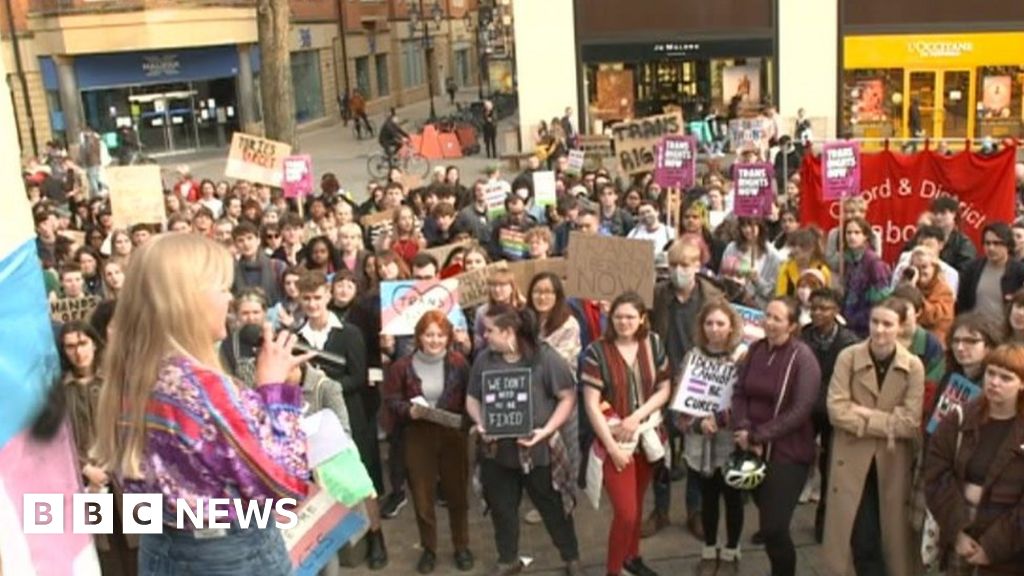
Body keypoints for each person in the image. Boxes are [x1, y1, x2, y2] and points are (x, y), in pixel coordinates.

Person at [91, 233, 312, 575]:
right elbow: (287, 485)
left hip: (160, 547)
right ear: (188, 299)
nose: (231, 300)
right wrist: (273, 392)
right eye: (223, 289)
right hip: (228, 555)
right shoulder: (204, 390)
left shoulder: (127, 376)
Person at [466, 304, 583, 576]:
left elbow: (567, 396)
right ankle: (508, 559)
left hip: (538, 452)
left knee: (553, 507)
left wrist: (548, 430)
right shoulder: (484, 360)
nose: (484, 336)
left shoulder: (545, 357)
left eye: (490, 331)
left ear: (509, 332)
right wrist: (481, 422)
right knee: (502, 509)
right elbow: (472, 397)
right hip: (497, 452)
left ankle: (571, 557)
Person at [294, 270, 389, 569]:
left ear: (328, 296)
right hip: (313, 423)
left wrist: (325, 385)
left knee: (362, 480)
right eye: (306, 299)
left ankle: (377, 538)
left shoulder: (349, 333)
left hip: (351, 414)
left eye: (317, 297)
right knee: (324, 483)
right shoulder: (297, 338)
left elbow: (358, 377)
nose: (312, 304)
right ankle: (332, 544)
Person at [824, 299, 925, 576]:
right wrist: (886, 422)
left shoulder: (913, 366)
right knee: (860, 537)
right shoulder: (848, 357)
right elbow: (836, 411)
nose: (879, 330)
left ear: (901, 328)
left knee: (892, 536)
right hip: (852, 458)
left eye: (887, 324)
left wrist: (864, 415)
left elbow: (909, 423)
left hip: (892, 462)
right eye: (875, 322)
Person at [581, 292, 671, 576]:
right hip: (614, 440)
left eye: (631, 316)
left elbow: (665, 389)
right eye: (619, 316)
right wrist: (612, 447)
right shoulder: (596, 351)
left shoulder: (653, 344)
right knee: (626, 512)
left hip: (646, 436)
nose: (624, 322)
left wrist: (635, 417)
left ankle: (632, 557)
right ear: (611, 318)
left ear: (642, 318)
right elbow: (591, 405)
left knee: (638, 500)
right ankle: (613, 570)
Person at [732, 297, 822, 576]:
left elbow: (801, 409)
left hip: (788, 451)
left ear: (792, 325)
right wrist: (744, 428)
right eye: (767, 316)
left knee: (774, 527)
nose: (769, 323)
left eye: (777, 319)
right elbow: (739, 393)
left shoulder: (803, 358)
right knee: (767, 519)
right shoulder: (755, 350)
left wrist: (760, 436)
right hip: (752, 445)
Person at [381, 311, 474, 574]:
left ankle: (461, 546)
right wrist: (406, 410)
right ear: (419, 336)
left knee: (457, 494)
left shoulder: (459, 363)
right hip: (417, 435)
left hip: (452, 434)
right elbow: (391, 398)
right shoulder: (402, 366)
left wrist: (466, 424)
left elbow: (471, 398)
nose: (434, 340)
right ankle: (429, 549)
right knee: (422, 497)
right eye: (429, 334)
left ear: (448, 338)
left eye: (440, 335)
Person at [923, 344, 1024, 575]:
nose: (995, 382)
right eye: (991, 373)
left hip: (1011, 550)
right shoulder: (959, 418)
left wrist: (992, 546)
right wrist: (957, 532)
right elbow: (937, 476)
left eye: (1006, 378)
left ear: (1022, 384)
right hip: (960, 534)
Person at [674, 301, 748, 576]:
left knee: (733, 498)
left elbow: (748, 398)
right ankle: (708, 548)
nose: (714, 329)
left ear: (731, 326)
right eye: (709, 323)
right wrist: (695, 422)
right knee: (707, 497)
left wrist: (721, 419)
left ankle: (731, 550)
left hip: (730, 439)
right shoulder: (692, 355)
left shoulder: (742, 356)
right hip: (700, 441)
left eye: (720, 323)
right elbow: (681, 396)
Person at [59, 321, 139, 575]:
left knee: (139, 548)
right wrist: (85, 468)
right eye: (70, 347)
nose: (78, 352)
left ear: (94, 343)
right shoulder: (61, 391)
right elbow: (60, 440)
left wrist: (115, 459)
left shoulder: (117, 381)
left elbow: (134, 426)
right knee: (106, 554)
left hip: (127, 479)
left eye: (82, 343)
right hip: (89, 485)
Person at [801, 287, 860, 542]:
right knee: (793, 461)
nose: (816, 313)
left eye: (823, 308)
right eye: (813, 308)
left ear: (836, 312)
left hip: (832, 411)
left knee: (830, 466)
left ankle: (824, 519)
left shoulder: (849, 342)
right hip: (805, 409)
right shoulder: (803, 337)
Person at [956, 222, 1024, 329]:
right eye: (987, 243)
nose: (991, 248)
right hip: (977, 332)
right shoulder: (972, 269)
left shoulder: (1019, 271)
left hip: (1007, 334)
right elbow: (962, 305)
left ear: (1008, 245)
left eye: (997, 243)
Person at [840, 217, 892, 337]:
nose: (852, 237)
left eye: (857, 233)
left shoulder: (874, 264)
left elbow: (882, 300)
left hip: (866, 327)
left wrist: (858, 319)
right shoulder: (850, 261)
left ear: (865, 236)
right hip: (849, 324)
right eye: (848, 233)